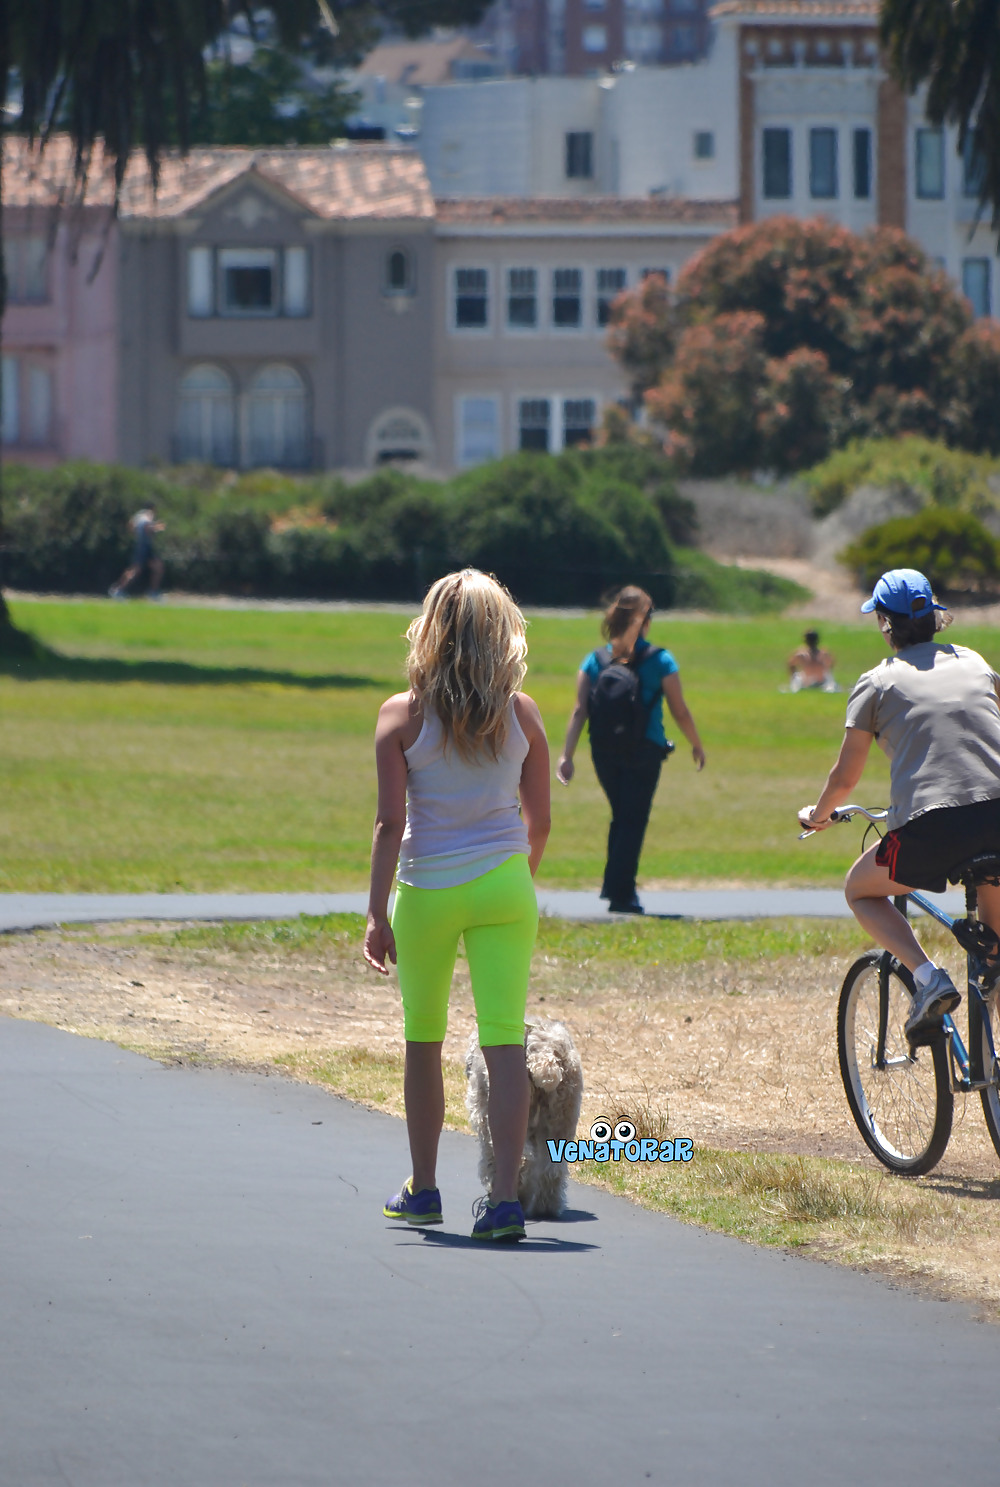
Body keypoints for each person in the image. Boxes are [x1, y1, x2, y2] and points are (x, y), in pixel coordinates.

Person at [363, 569, 551, 1242]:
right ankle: (503, 1199)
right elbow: (541, 820)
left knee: (425, 1039)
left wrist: (376, 912)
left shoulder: (400, 714)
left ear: (431, 629)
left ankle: (423, 1188)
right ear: (502, 634)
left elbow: (389, 823)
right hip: (505, 883)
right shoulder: (522, 712)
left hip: (427, 887)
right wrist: (512, 879)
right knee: (504, 1041)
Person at [799, 567, 1000, 1046]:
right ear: (934, 616)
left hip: (933, 826)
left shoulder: (877, 682)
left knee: (859, 890)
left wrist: (819, 815)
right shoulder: (975, 662)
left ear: (884, 624)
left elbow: (845, 777)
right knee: (994, 942)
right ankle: (989, 1007)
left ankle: (929, 977)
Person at [556, 585, 706, 915]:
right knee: (631, 820)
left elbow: (580, 709)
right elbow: (679, 710)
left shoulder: (594, 660)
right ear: (646, 621)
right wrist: (696, 743)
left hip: (603, 751)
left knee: (622, 816)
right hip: (645, 749)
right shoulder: (660, 660)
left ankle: (616, 888)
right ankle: (622, 894)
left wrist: (567, 755)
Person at [110, 506, 165, 600]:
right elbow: (147, 527)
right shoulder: (148, 514)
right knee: (135, 570)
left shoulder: (139, 515)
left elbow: (130, 525)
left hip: (142, 546)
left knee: (158, 567)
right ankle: (118, 590)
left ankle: (153, 592)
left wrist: (136, 534)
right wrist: (157, 527)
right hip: (144, 547)